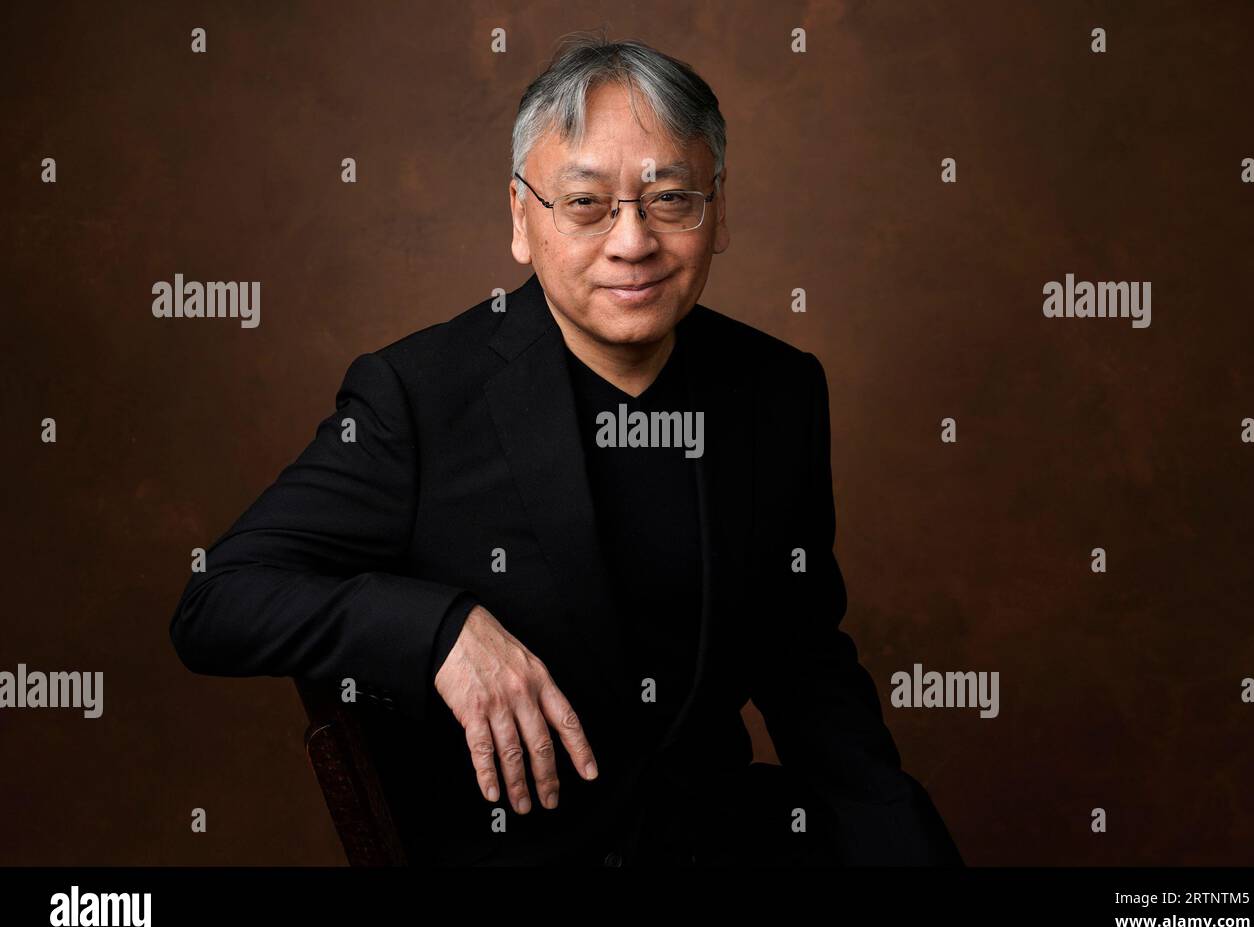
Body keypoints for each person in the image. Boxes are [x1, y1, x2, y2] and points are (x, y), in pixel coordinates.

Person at [168, 30, 963, 867]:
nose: (632, 243)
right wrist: (441, 630)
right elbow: (215, 603)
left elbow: (807, 667)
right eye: (585, 203)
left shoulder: (778, 389)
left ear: (717, 211)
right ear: (521, 217)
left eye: (671, 199)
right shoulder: (419, 395)